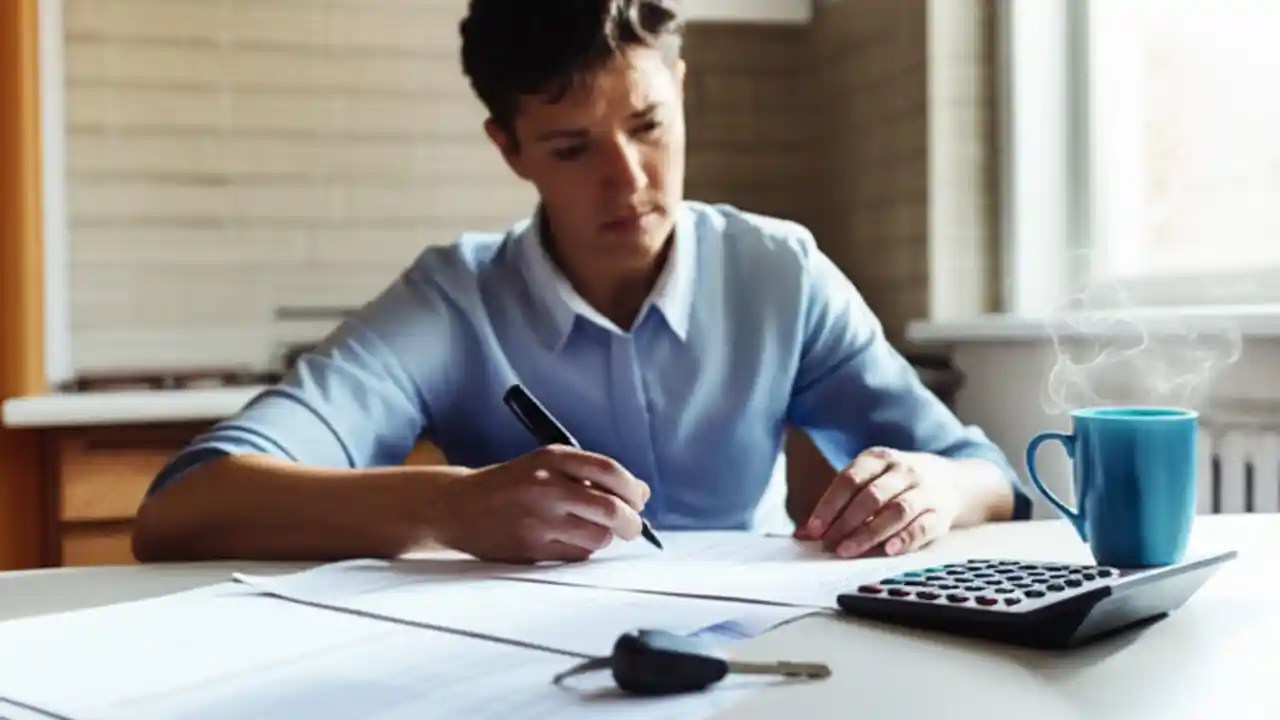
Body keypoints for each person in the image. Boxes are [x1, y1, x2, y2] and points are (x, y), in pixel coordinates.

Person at [131, 0, 1030, 565]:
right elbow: (185, 506)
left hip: (755, 662)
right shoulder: (452, 302)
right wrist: (449, 506)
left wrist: (934, 490)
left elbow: (984, 473)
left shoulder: (777, 270)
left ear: (682, 87)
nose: (629, 179)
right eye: (571, 148)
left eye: (649, 124)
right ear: (509, 148)